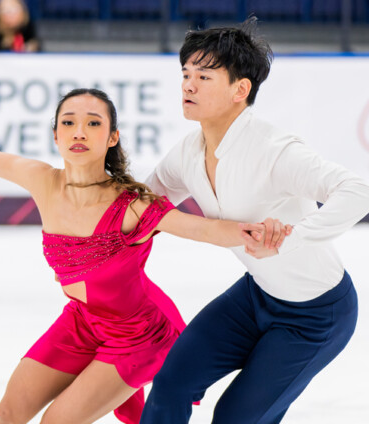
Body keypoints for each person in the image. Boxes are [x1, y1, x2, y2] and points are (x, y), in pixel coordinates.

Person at [0, 88, 286, 424]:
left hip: (136, 335)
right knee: (7, 414)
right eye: (69, 122)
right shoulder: (41, 180)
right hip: (82, 320)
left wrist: (257, 233)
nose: (79, 132)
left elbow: (201, 229)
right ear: (55, 135)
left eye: (94, 123)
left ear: (112, 138)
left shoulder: (131, 205)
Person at [140, 18, 369, 423]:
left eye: (204, 77)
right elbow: (142, 205)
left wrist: (291, 238)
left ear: (240, 90)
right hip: (255, 295)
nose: (188, 85)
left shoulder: (275, 150)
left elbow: (357, 190)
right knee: (170, 386)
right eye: (186, 74)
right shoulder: (188, 152)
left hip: (316, 316)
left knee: (235, 417)